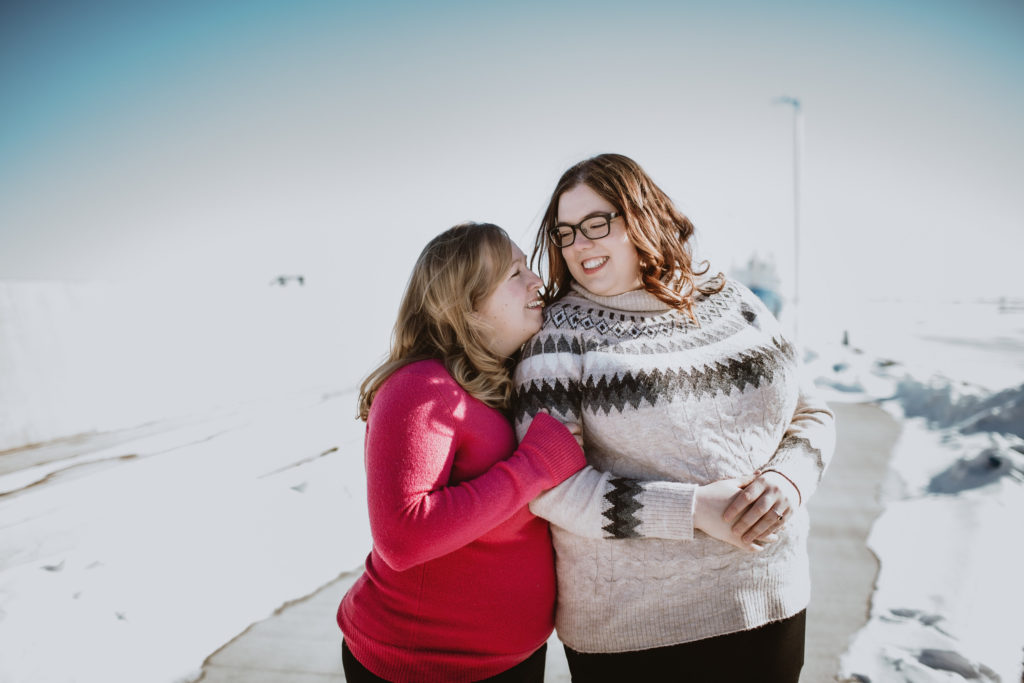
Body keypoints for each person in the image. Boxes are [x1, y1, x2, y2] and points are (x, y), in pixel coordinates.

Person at [513, 154, 836, 682]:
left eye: (598, 223)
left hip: (769, 599)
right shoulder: (556, 341)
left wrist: (788, 480)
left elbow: (811, 410)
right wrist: (692, 510)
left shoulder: (733, 301)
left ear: (642, 215)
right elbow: (551, 488)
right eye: (567, 232)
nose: (580, 244)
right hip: (639, 631)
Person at [336, 222, 588, 683]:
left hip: (512, 659)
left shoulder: (503, 381)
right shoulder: (420, 387)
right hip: (424, 665)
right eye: (515, 274)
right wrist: (535, 466)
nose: (537, 282)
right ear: (467, 303)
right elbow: (402, 536)